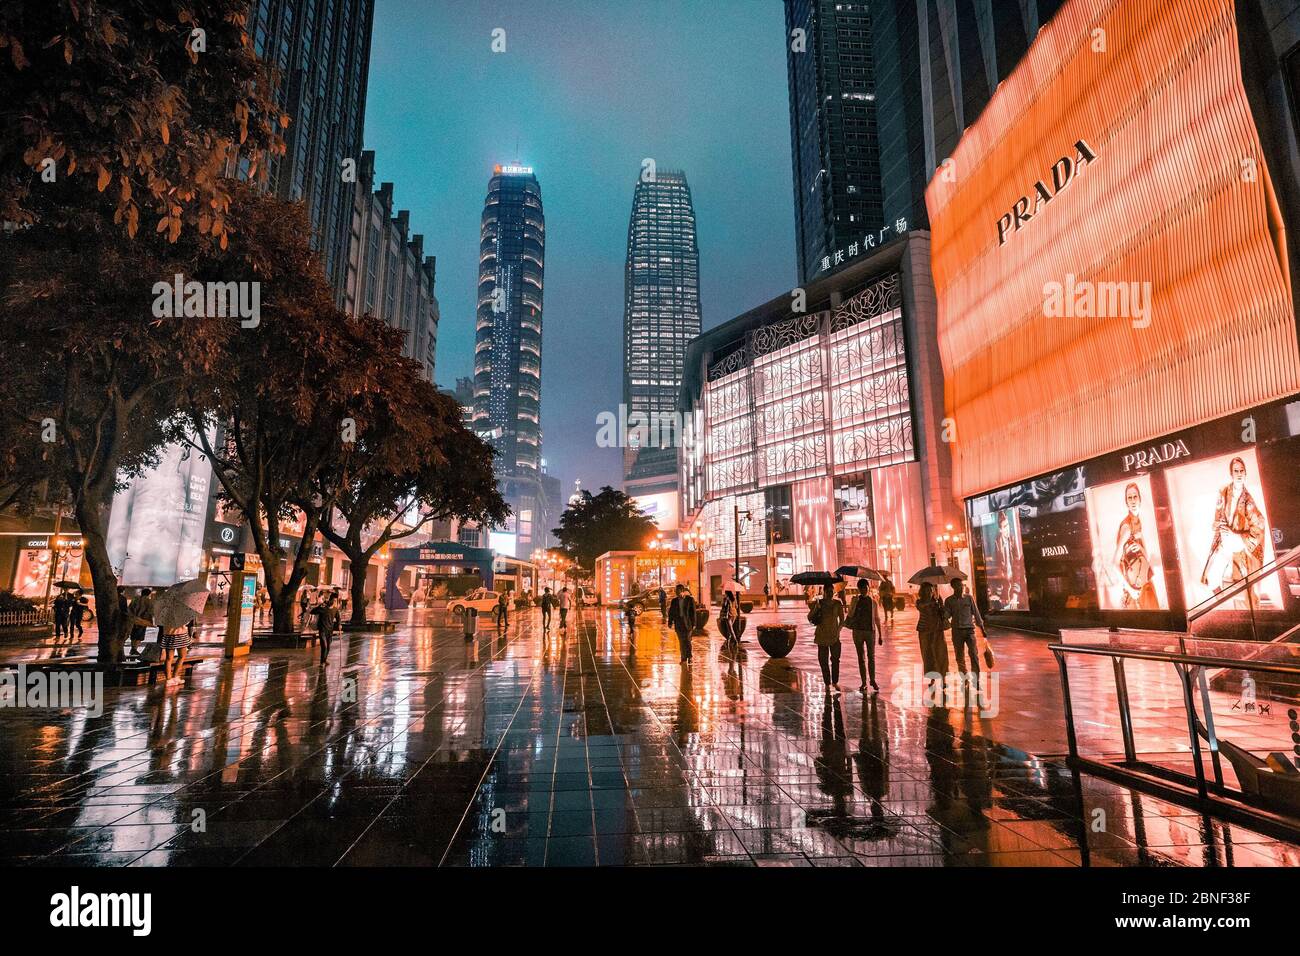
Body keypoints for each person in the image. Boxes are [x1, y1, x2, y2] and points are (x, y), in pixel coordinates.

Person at [1201, 456, 1266, 592]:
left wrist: (1236, 536)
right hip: (1224, 540)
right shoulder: (1224, 492)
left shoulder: (1248, 499)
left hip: (1238, 542)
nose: (1239, 474)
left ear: (1245, 473)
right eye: (1236, 471)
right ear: (1231, 474)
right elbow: (1218, 516)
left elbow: (1259, 525)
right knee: (1211, 577)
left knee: (1243, 584)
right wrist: (1216, 525)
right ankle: (1223, 604)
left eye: (1242, 471)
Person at [1114, 482, 1158, 609]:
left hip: (1146, 581)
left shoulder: (1138, 522)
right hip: (1134, 589)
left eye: (1135, 496)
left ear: (1140, 499)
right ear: (1126, 502)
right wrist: (1131, 590)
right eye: (1129, 497)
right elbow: (1114, 564)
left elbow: (1146, 557)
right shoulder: (1126, 527)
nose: (1133, 500)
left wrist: (1141, 544)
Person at [845, 578, 883, 693]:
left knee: (871, 657)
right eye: (861, 589)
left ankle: (872, 680)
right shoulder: (855, 600)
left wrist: (880, 634)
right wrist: (853, 603)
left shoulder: (873, 602)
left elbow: (877, 618)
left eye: (865, 588)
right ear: (859, 589)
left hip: (870, 632)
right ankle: (863, 682)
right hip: (857, 632)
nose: (864, 591)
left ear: (868, 588)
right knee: (861, 658)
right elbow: (850, 614)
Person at [942, 578, 984, 681]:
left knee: (973, 654)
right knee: (959, 656)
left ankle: (976, 677)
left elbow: (976, 613)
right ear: (953, 587)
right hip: (957, 631)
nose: (961, 587)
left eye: (962, 585)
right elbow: (947, 615)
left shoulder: (969, 598)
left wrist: (982, 629)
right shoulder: (949, 601)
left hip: (969, 630)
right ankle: (964, 677)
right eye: (958, 586)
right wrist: (942, 609)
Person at [810, 582, 845, 694]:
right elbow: (810, 617)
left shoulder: (837, 604)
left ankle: (835, 681)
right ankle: (827, 683)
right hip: (822, 634)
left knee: (835, 660)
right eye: (828, 591)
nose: (830, 593)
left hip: (834, 635)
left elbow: (842, 620)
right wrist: (817, 608)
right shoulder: (819, 603)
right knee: (823, 660)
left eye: (831, 591)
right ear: (824, 592)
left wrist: (838, 631)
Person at [915, 581, 948, 678]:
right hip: (924, 631)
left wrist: (941, 605)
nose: (928, 593)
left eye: (930, 591)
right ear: (922, 592)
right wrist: (935, 603)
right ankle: (932, 677)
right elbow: (923, 608)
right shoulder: (919, 602)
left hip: (937, 630)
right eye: (926, 591)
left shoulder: (936, 602)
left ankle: (943, 677)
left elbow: (943, 614)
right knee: (927, 654)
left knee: (941, 653)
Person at [667, 584, 697, 664]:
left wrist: (694, 624)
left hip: (688, 624)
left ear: (683, 591)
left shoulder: (690, 600)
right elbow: (671, 613)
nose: (677, 594)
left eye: (678, 592)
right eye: (676, 592)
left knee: (687, 641)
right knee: (681, 642)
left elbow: (693, 612)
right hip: (678, 624)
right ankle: (683, 658)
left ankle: (690, 657)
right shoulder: (674, 601)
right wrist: (670, 622)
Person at [160, 618, 192, 684]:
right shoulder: (180, 612)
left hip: (168, 635)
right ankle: (175, 676)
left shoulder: (165, 611)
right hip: (180, 635)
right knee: (182, 656)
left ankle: (168, 679)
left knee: (169, 658)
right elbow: (186, 622)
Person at [312, 591, 339, 665]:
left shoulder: (335, 609)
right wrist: (320, 606)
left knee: (328, 647)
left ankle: (324, 660)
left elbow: (338, 618)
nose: (334, 602)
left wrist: (339, 624)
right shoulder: (323, 608)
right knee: (324, 646)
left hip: (330, 630)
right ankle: (322, 662)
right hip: (322, 630)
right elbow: (312, 611)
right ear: (330, 600)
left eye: (336, 601)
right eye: (333, 600)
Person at [128, 587, 154, 657]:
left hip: (133, 620)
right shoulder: (148, 601)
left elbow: (130, 608)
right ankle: (134, 649)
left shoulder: (135, 599)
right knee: (139, 636)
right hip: (142, 621)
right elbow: (150, 612)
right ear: (149, 594)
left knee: (133, 635)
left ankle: (133, 648)